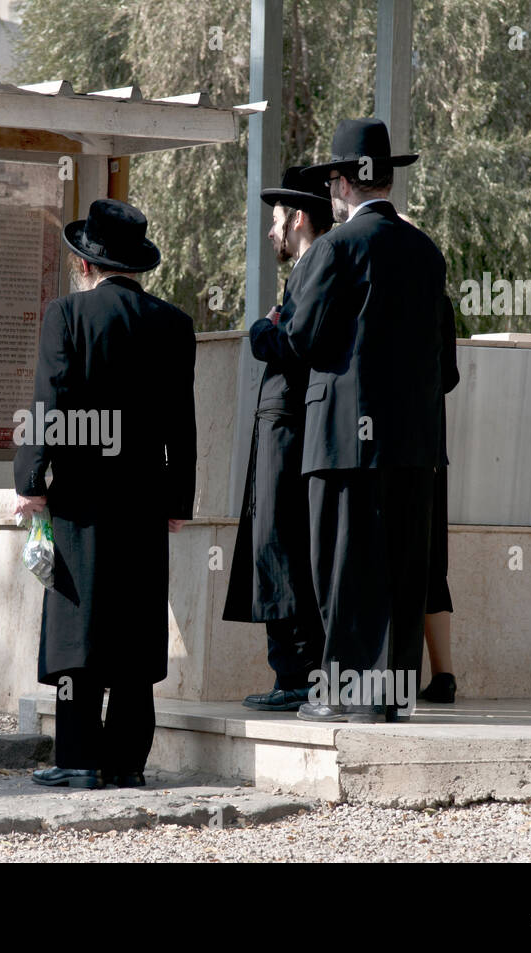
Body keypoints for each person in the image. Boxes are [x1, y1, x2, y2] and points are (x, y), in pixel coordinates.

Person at [14, 198, 197, 788]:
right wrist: (178, 502)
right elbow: (182, 424)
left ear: (86, 263)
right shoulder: (174, 323)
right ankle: (126, 764)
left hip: (82, 497)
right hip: (144, 495)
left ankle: (76, 760)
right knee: (136, 626)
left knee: (79, 628)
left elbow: (50, 402)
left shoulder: (65, 315)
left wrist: (31, 480)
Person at [283, 117, 446, 724]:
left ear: (345, 183)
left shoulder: (336, 247)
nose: (330, 190)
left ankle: (342, 694)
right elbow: (445, 362)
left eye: (331, 179)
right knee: (404, 568)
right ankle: (388, 696)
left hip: (342, 439)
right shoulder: (427, 252)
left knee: (345, 566)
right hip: (412, 442)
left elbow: (303, 339)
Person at [224, 167, 332, 712]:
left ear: (296, 219)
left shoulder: (315, 266)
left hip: (288, 429)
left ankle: (295, 675)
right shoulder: (310, 269)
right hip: (285, 426)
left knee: (279, 544)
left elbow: (291, 342)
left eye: (275, 222)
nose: (272, 235)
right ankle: (292, 672)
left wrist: (261, 331)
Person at [422, 292, 460, 703]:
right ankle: (443, 673)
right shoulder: (439, 301)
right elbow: (449, 376)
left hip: (388, 451)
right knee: (432, 564)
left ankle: (393, 676)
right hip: (432, 447)